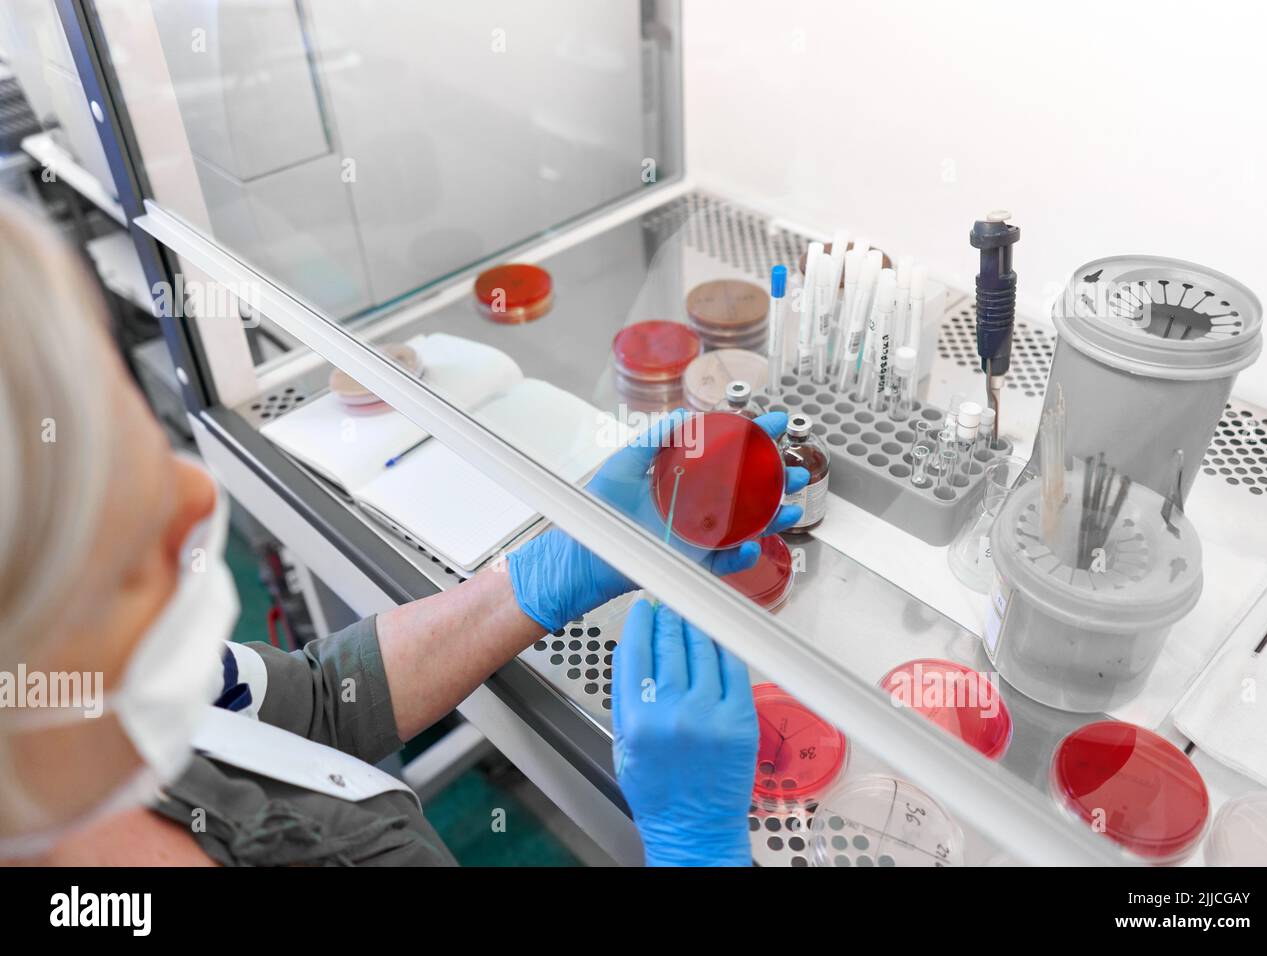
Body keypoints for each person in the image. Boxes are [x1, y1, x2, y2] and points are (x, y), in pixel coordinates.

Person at [0, 199, 808, 866]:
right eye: (98, 487)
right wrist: (696, 851)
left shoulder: (86, 726)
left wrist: (539, 576)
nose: (189, 485)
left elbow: (316, 704)